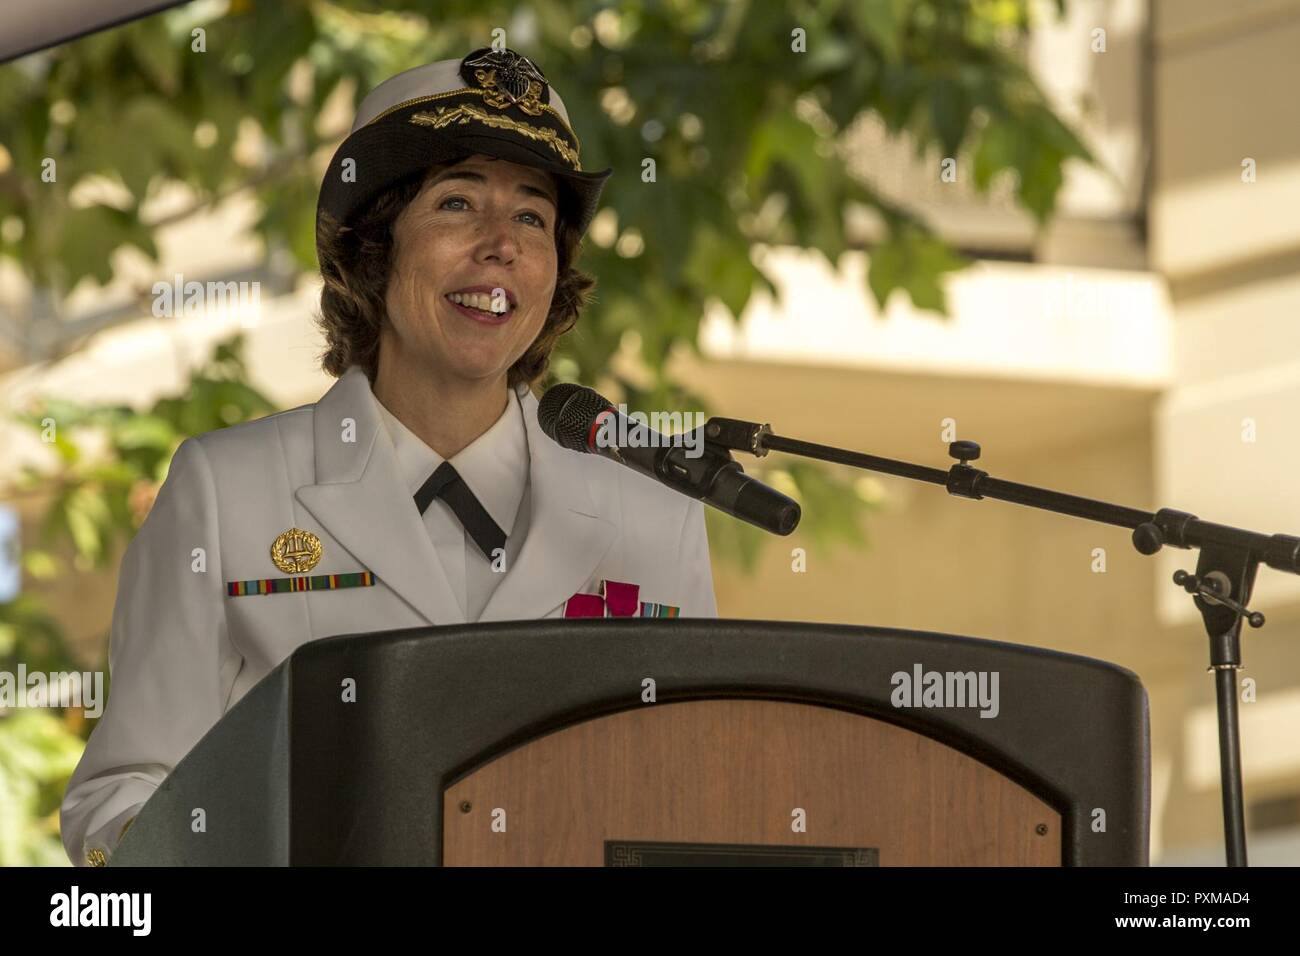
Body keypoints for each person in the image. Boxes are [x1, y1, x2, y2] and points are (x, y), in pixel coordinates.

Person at [60, 47, 717, 867]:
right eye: (456, 204)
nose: (500, 245)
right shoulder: (227, 490)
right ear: (375, 249)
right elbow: (124, 796)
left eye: (531, 216)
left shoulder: (655, 506)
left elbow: (696, 789)